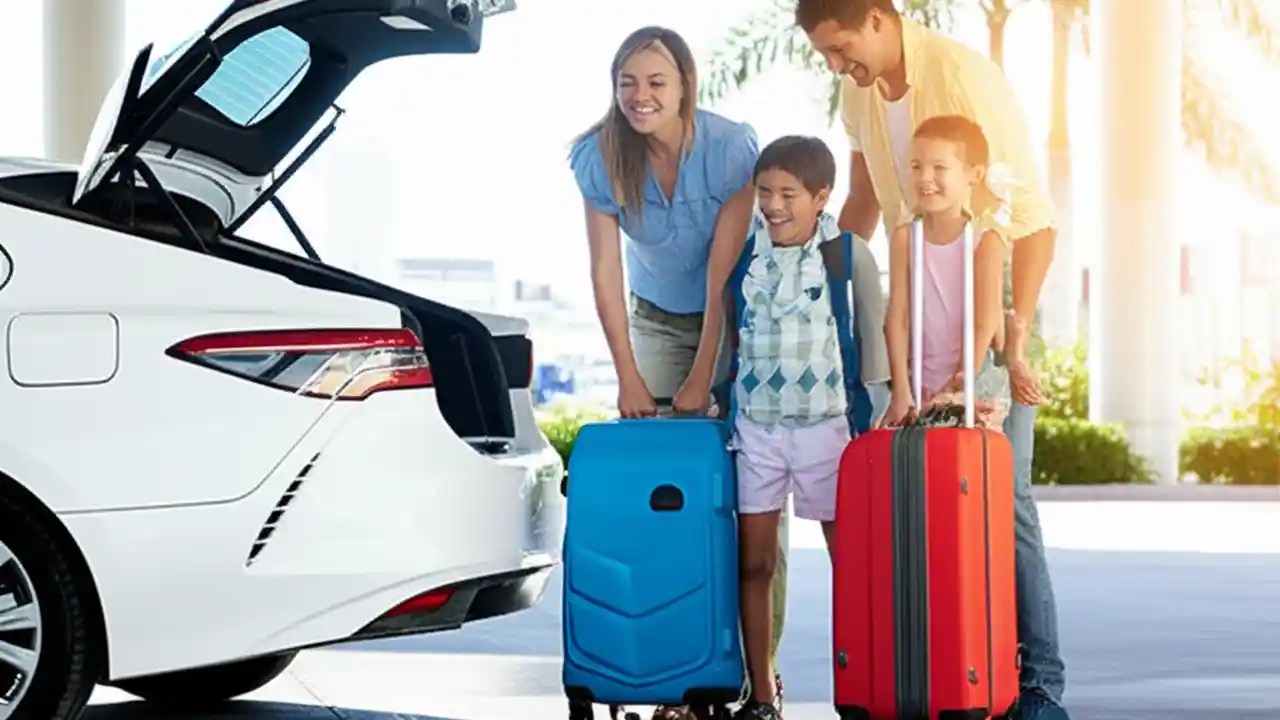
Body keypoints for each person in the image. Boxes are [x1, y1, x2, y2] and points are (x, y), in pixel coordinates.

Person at [794, 1, 1070, 718]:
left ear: (879, 20)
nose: (835, 64)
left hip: (981, 350)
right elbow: (862, 201)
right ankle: (942, 671)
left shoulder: (965, 76)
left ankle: (1038, 684)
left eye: (840, 46)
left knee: (1007, 511)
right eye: (824, 53)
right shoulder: (859, 91)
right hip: (913, 347)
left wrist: (1009, 346)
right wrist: (811, 278)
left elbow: (1031, 217)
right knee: (920, 517)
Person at [566, 26, 786, 719]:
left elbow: (725, 276)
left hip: (739, 318)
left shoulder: (728, 149)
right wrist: (628, 375)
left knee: (745, 497)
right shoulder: (599, 156)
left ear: (686, 84)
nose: (641, 95)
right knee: (664, 497)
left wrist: (704, 377)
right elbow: (604, 272)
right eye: (628, 82)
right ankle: (675, 676)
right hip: (656, 317)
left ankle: (755, 682)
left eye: (657, 82)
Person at [730, 135, 853, 720]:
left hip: (824, 429)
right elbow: (728, 326)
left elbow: (873, 332)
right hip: (756, 429)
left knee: (848, 565)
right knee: (754, 565)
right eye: (765, 192)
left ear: (821, 197)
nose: (773, 205)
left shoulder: (842, 255)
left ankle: (860, 690)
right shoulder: (746, 255)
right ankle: (760, 694)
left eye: (788, 194)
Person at [879, 116, 1011, 432]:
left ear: (973, 175)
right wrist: (901, 391)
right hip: (918, 386)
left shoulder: (985, 241)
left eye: (939, 168)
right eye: (916, 166)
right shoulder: (905, 238)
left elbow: (985, 321)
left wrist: (957, 388)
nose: (925, 177)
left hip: (971, 384)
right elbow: (896, 318)